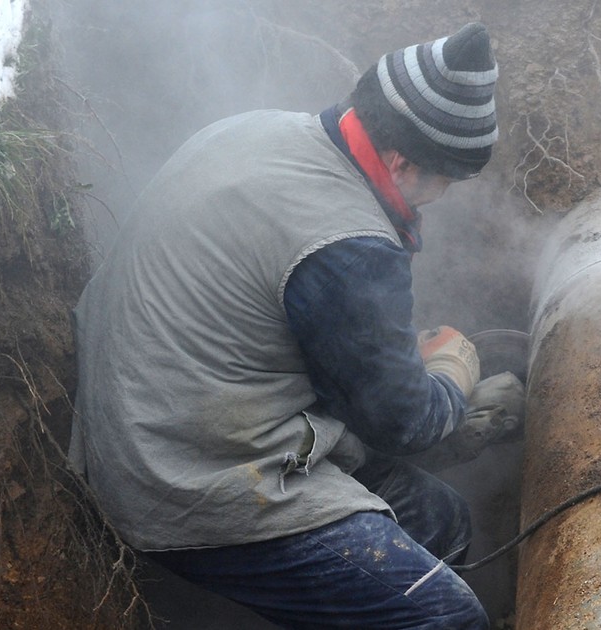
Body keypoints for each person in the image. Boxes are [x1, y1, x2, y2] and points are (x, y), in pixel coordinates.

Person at [69, 23, 519, 630]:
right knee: (446, 618)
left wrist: (387, 361)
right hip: (186, 481)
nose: (440, 196)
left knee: (443, 522)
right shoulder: (349, 244)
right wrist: (452, 377)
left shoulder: (259, 130)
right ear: (402, 159)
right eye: (446, 179)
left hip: (138, 421)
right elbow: (401, 422)